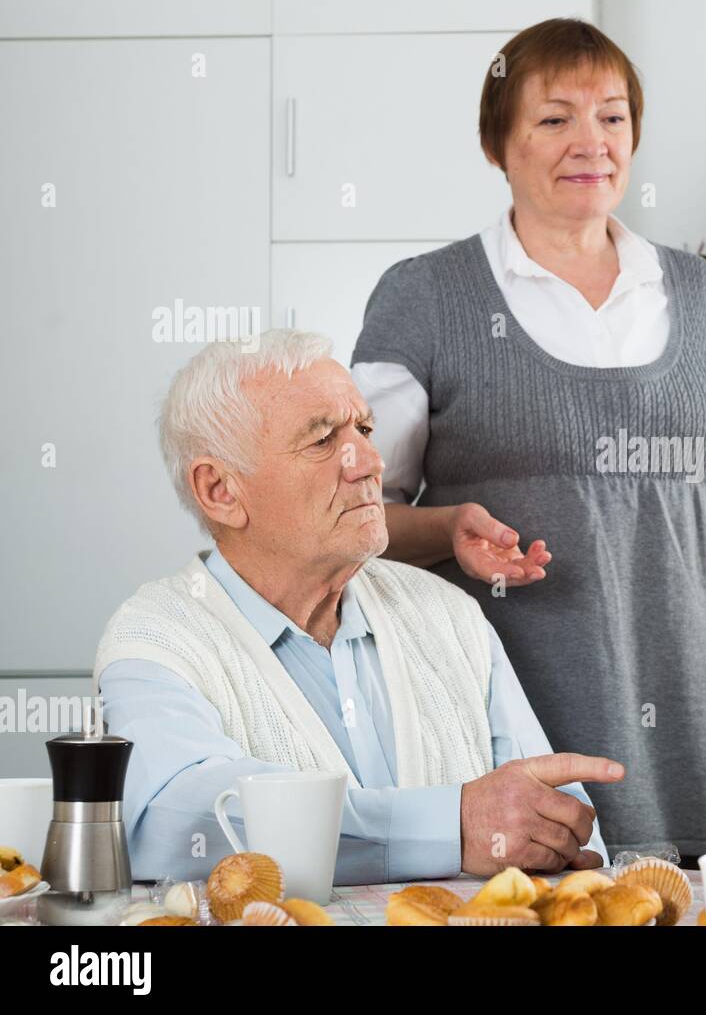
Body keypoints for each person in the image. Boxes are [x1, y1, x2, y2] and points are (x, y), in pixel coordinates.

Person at [350, 18, 706, 860]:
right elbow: (355, 522)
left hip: (695, 733)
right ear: (497, 143)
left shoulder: (701, 296)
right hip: (504, 728)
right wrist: (447, 531)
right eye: (554, 119)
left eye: (613, 117)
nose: (591, 142)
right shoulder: (424, 297)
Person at [95, 330, 620, 884]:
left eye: (365, 430)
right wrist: (454, 826)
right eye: (323, 439)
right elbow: (173, 819)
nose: (370, 461)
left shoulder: (450, 615)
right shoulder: (155, 638)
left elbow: (565, 837)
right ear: (221, 490)